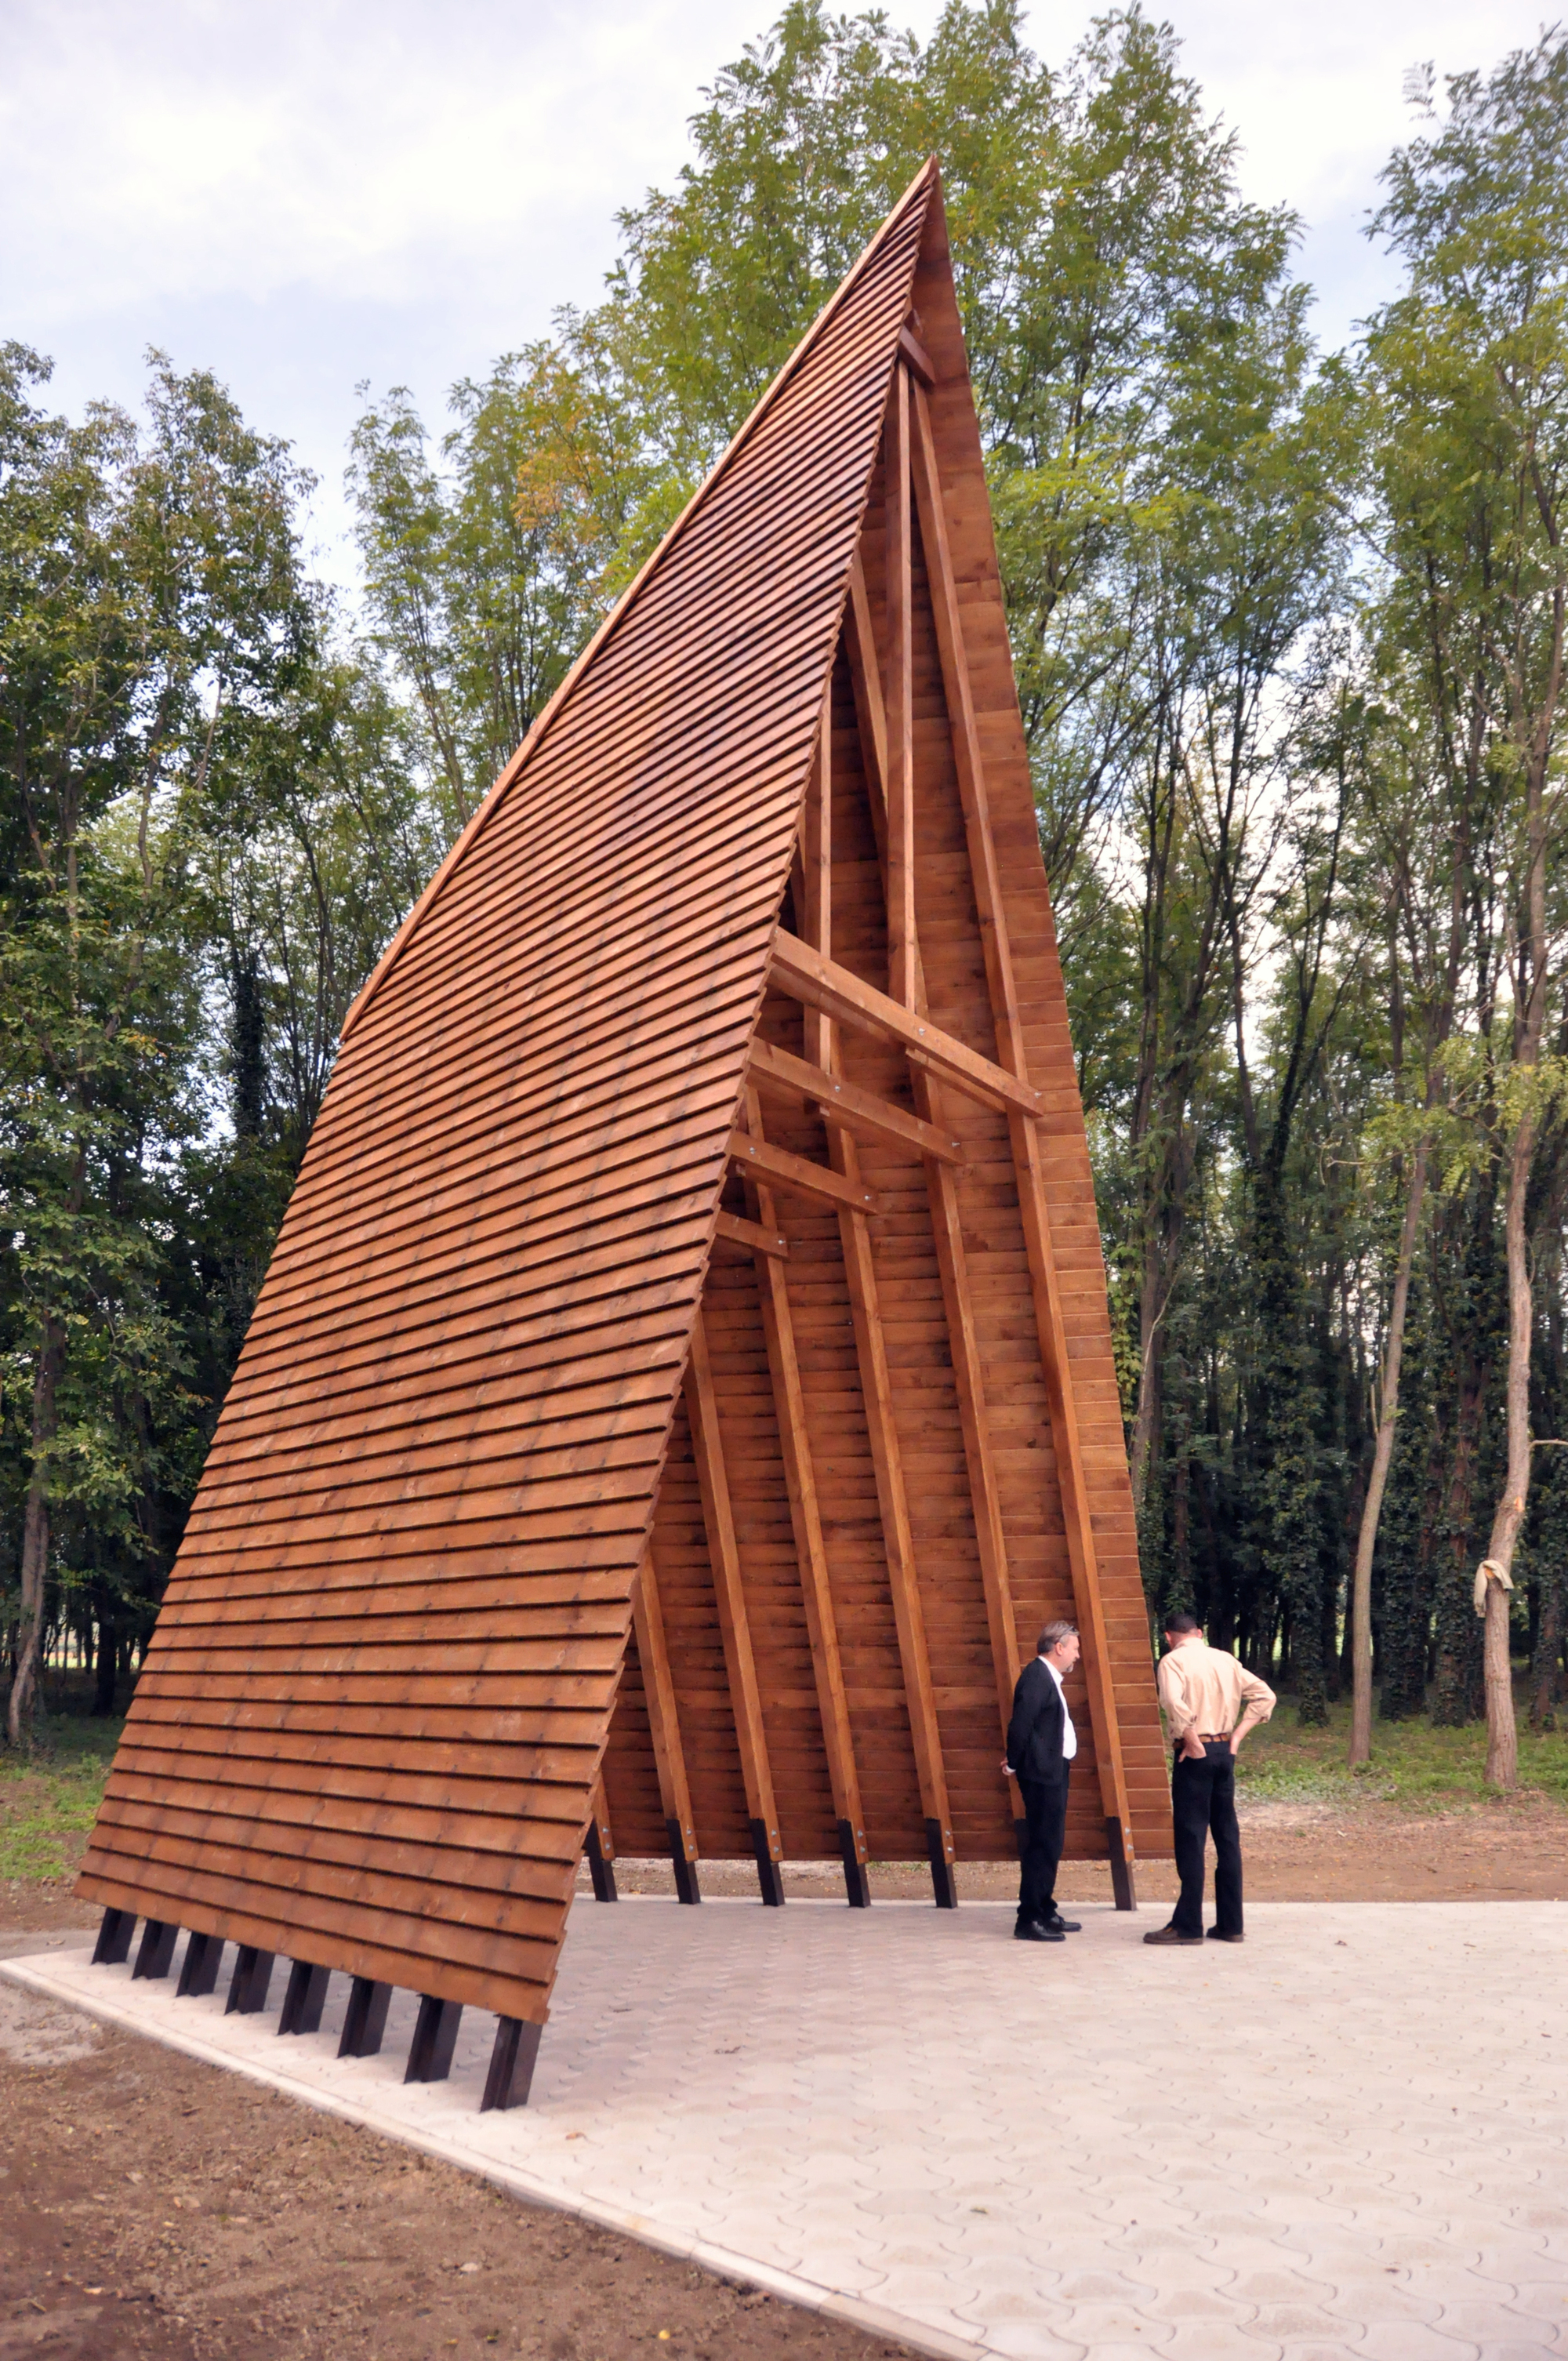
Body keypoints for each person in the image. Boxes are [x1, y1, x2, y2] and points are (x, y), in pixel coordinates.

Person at [1144, 1614, 1276, 1948]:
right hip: (1224, 1753)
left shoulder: (1172, 1662)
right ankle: (1231, 1925)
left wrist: (1191, 1739)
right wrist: (1236, 1738)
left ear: (1169, 1637)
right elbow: (1265, 1696)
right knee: (1226, 1835)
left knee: (1191, 1837)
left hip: (1195, 1753)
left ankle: (1188, 1926)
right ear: (1199, 1633)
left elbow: (1173, 1702)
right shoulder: (1226, 1659)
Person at [1003, 1621, 1083, 1943]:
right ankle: (1029, 1918)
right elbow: (1020, 1723)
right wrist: (1013, 1761)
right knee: (1043, 1844)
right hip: (1042, 1773)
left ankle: (1046, 1909)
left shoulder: (1048, 1677)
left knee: (1052, 1842)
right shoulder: (1037, 1676)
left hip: (1052, 1770)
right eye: (1074, 1648)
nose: (1077, 1655)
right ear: (1058, 1647)